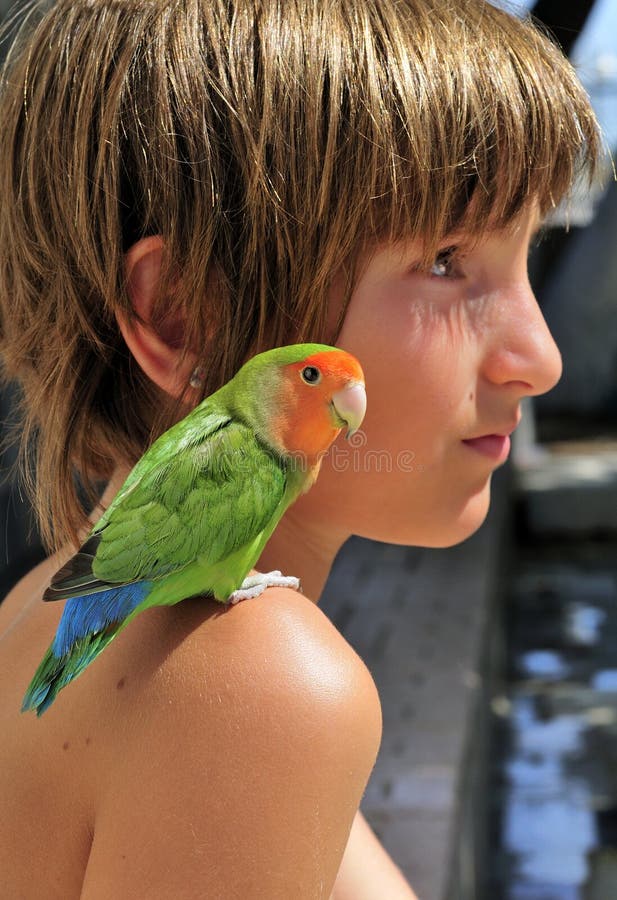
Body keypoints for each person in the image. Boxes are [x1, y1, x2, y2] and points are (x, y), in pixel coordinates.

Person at [0, 0, 599, 897]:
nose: (538, 361)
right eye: (445, 259)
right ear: (184, 313)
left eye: (528, 252)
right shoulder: (259, 689)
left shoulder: (37, 613)